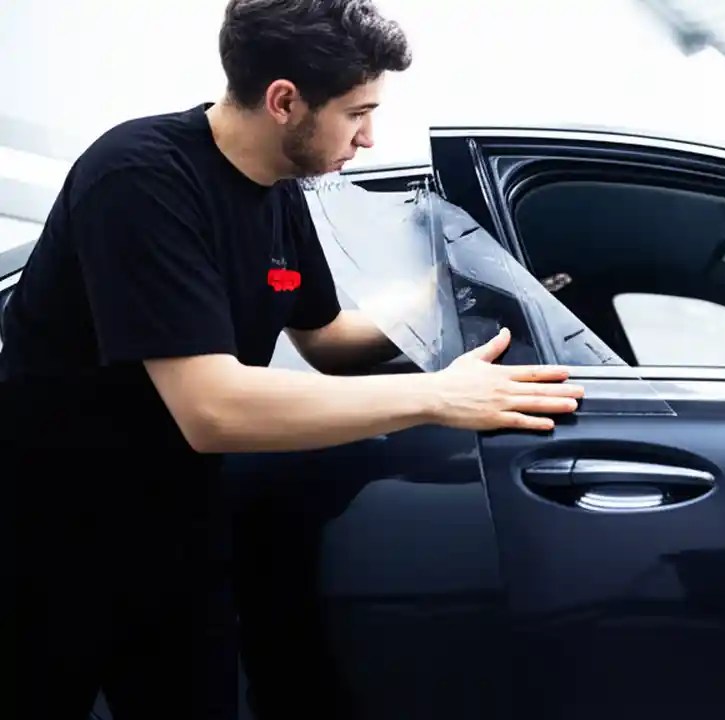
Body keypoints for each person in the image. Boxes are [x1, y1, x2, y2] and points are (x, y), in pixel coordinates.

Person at [0, 1, 583, 718]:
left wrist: (447, 289)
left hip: (175, 529)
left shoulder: (281, 193)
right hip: (53, 534)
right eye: (356, 113)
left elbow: (327, 338)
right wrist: (440, 396)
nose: (369, 137)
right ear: (284, 101)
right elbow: (214, 408)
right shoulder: (139, 176)